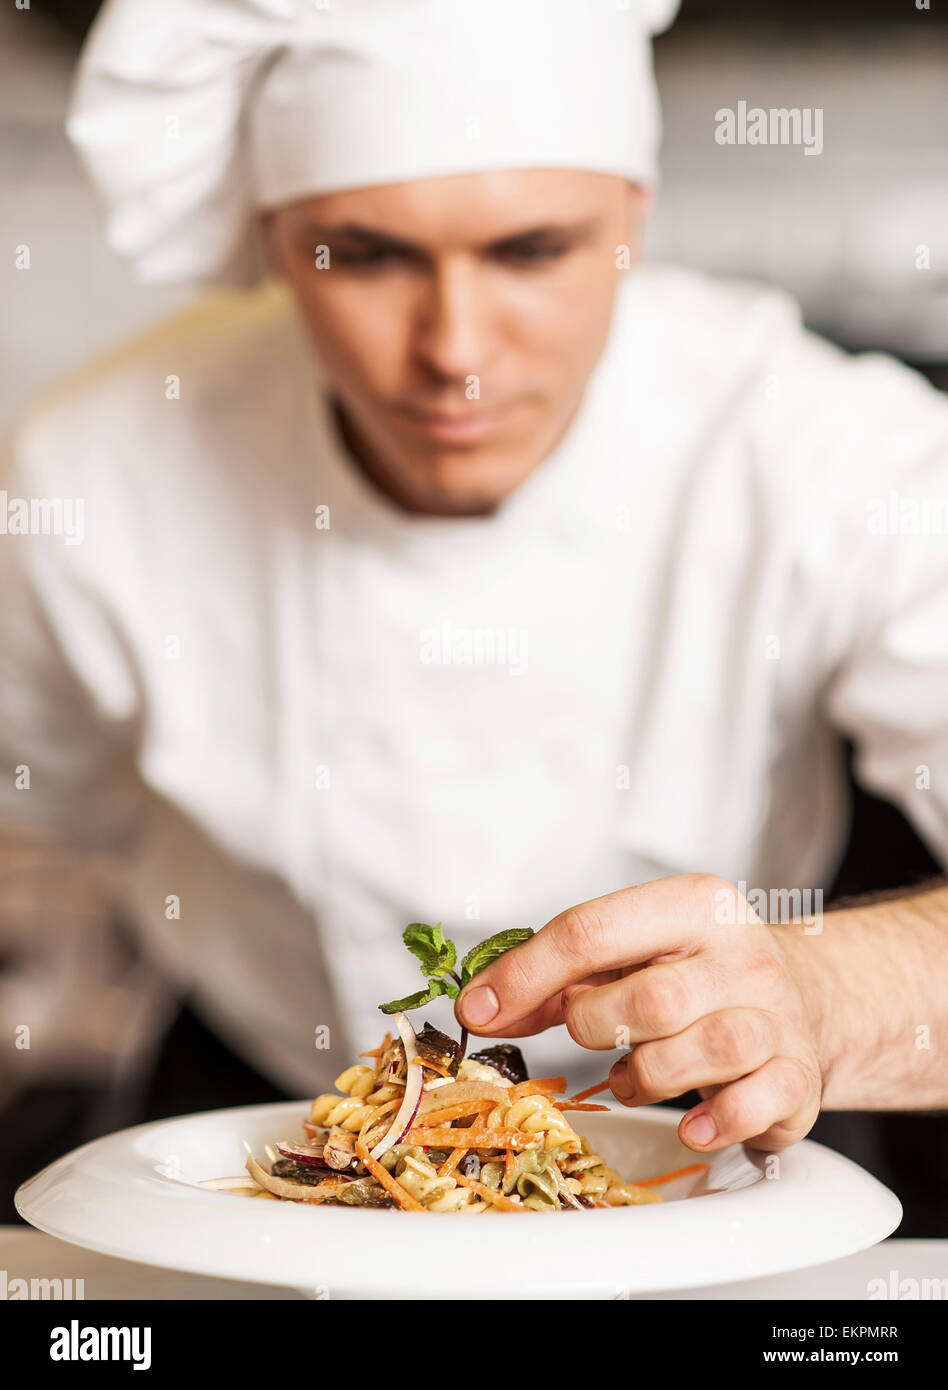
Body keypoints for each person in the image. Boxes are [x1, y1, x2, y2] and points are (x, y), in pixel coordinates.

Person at [1, 0, 946, 1168]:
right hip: (262, 1108)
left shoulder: (824, 449)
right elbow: (38, 835)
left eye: (531, 250)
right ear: (273, 239)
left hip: (723, 1119)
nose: (454, 348)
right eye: (371, 254)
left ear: (631, 226)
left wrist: (822, 990)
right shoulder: (88, 475)